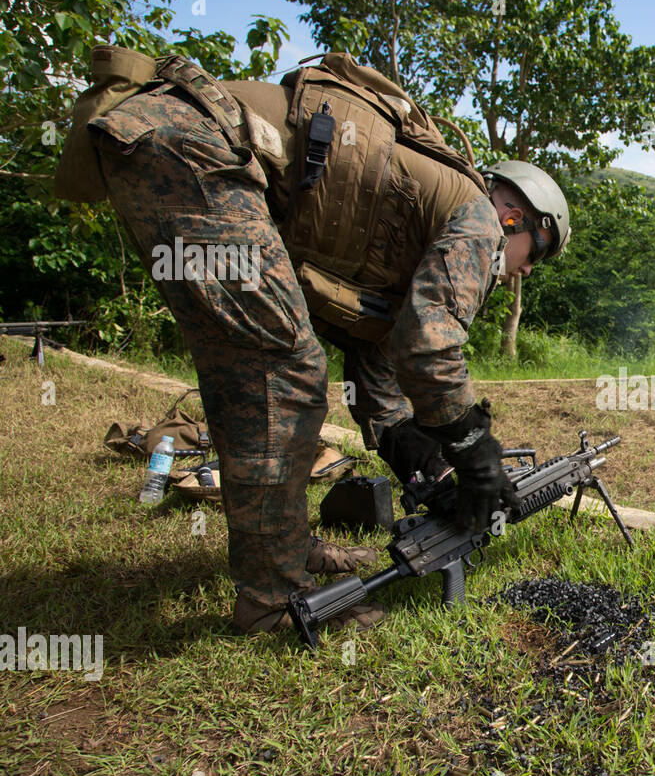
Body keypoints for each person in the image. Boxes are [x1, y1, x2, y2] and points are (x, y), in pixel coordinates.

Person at [64, 51, 570, 634]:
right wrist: (475, 448)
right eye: (537, 255)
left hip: (176, 141)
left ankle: (284, 547)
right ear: (519, 220)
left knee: (262, 371)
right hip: (195, 145)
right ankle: (275, 601)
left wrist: (420, 459)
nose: (525, 272)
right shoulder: (479, 219)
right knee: (282, 372)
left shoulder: (424, 227)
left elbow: (380, 374)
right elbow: (430, 346)